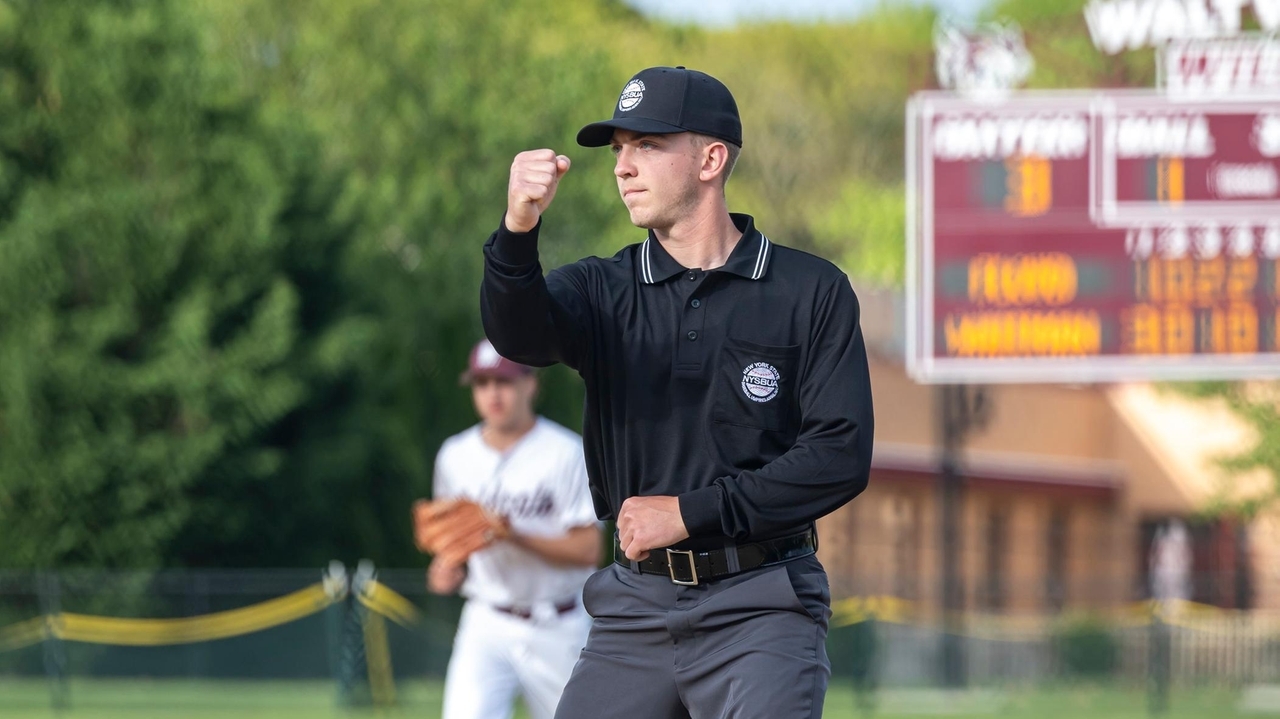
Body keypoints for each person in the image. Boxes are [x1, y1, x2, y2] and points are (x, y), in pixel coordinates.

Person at [480, 65, 874, 719]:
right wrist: (518, 228)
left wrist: (693, 510)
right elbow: (519, 334)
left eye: (648, 145)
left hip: (765, 605)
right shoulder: (602, 291)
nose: (622, 167)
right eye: (617, 151)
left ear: (711, 159)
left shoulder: (810, 290)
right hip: (635, 610)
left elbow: (840, 453)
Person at [424, 338, 601, 719]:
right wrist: (446, 567)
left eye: (504, 382)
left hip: (558, 622)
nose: (493, 394)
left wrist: (514, 535)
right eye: (482, 383)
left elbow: (589, 549)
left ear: (530, 384)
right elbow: (451, 543)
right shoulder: (455, 456)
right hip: (486, 619)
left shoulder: (565, 452)